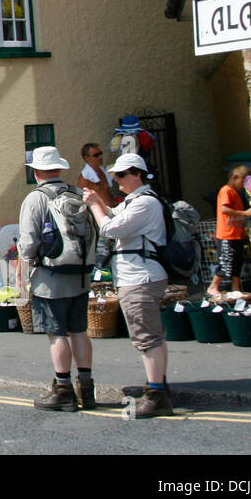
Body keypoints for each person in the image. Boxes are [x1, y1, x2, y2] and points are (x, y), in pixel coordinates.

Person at [82, 153, 173, 418]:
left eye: (121, 175)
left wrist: (95, 208)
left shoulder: (145, 203)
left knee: (147, 337)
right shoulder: (136, 200)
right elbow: (114, 213)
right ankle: (158, 387)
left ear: (137, 175)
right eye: (115, 175)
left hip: (140, 278)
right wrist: (99, 200)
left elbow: (111, 228)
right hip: (137, 276)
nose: (117, 180)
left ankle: (156, 395)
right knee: (148, 336)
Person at [17, 146, 96, 412]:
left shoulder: (36, 198)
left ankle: (63, 390)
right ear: (60, 168)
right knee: (80, 331)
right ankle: (87, 388)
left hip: (50, 277)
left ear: (37, 171)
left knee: (57, 333)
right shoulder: (76, 193)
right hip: (81, 275)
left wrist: (21, 277)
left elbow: (28, 243)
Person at [207, 165, 251, 298]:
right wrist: (245, 213)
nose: (244, 185)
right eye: (243, 181)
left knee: (237, 262)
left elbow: (237, 214)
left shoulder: (237, 194)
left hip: (237, 234)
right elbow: (225, 209)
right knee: (225, 262)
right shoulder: (226, 190)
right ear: (235, 177)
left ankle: (235, 287)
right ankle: (213, 286)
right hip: (227, 234)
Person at [79, 142, 118, 208]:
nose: (100, 157)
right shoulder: (85, 178)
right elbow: (83, 202)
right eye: (96, 155)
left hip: (111, 211)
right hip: (100, 215)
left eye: (100, 154)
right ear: (87, 158)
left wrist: (116, 203)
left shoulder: (102, 171)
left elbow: (106, 193)